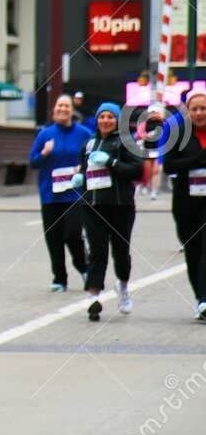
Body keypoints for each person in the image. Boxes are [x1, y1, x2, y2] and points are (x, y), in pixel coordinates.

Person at [76, 101, 144, 321]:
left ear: (117, 120)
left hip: (120, 206)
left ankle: (123, 286)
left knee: (120, 252)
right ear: (96, 120)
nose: (105, 121)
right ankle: (93, 296)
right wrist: (79, 180)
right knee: (97, 251)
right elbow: (85, 170)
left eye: (110, 117)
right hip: (93, 206)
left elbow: (136, 170)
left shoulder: (126, 141)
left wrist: (112, 162)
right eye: (101, 117)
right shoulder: (88, 143)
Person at [28, 93, 93, 292]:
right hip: (50, 194)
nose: (62, 109)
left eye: (66, 106)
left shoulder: (83, 133)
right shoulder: (45, 135)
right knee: (53, 237)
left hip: (74, 194)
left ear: (71, 111)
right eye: (59, 106)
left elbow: (92, 158)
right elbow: (33, 161)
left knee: (73, 234)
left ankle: (84, 267)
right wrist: (45, 153)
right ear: (54, 110)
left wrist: (80, 169)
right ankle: (59, 278)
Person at [165, 90, 206, 320]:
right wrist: (198, 159)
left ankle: (205, 299)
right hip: (186, 201)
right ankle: (200, 298)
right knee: (193, 250)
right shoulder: (178, 133)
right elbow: (169, 166)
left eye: (203, 108)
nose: (199, 113)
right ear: (188, 112)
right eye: (195, 109)